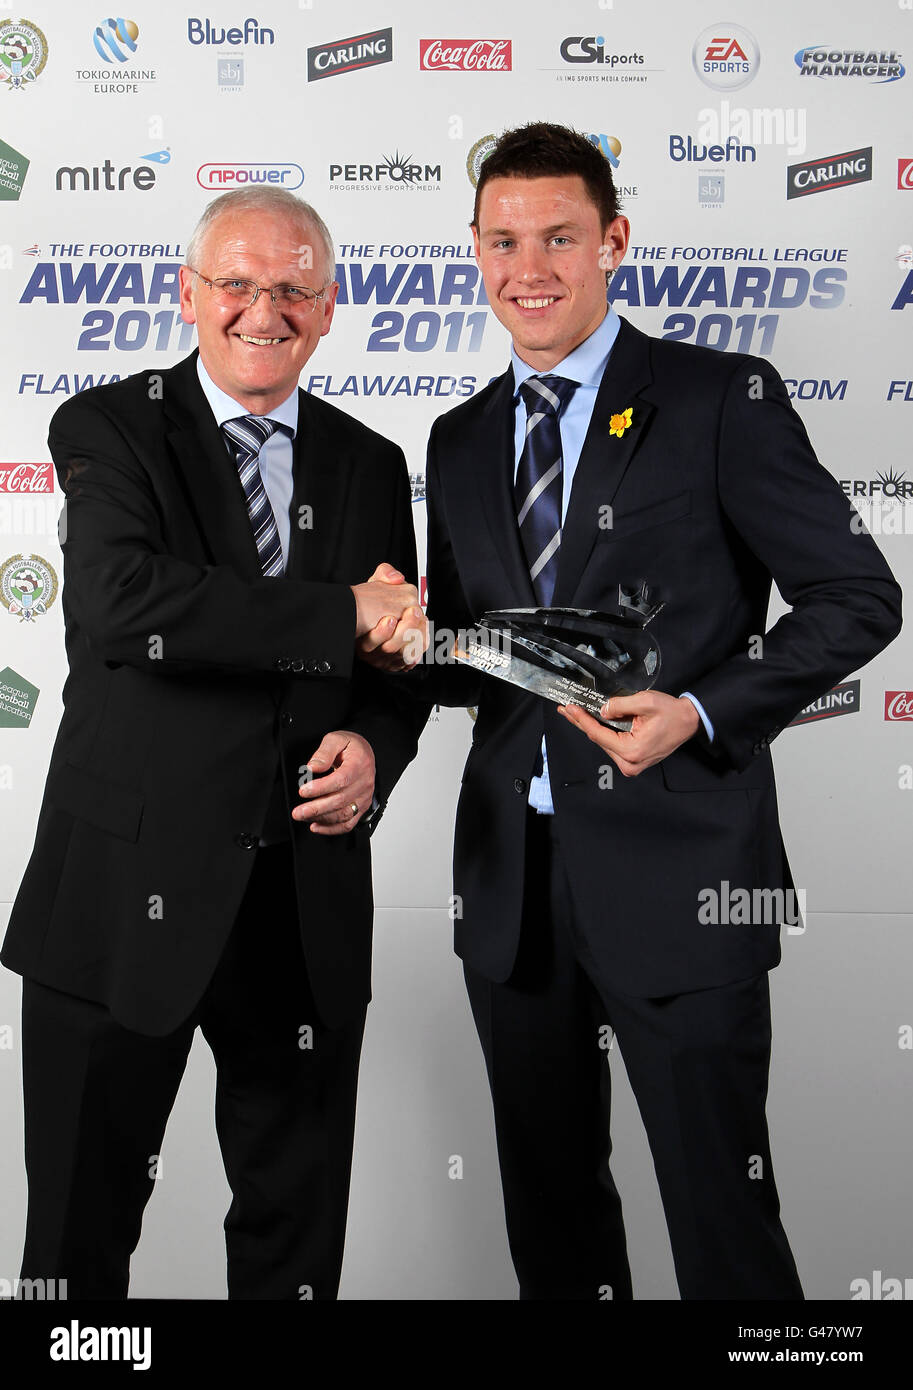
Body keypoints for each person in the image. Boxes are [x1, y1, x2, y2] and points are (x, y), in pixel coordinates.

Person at [372, 123, 903, 1299]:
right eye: (504, 241)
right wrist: (419, 645)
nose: (531, 267)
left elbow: (859, 595)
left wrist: (702, 713)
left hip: (682, 877)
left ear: (613, 241)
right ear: (473, 252)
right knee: (553, 1227)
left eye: (560, 237)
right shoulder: (458, 438)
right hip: (513, 890)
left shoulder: (720, 398)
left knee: (724, 1220)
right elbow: (487, 663)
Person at [1, 186, 428, 1300]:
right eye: (236, 282)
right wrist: (337, 608)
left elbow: (398, 661)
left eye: (293, 287)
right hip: (118, 899)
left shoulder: (371, 461)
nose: (263, 308)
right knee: (74, 1249)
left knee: (294, 1247)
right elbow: (123, 602)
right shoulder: (107, 425)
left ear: (329, 309)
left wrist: (379, 747)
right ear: (188, 294)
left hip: (302, 905)